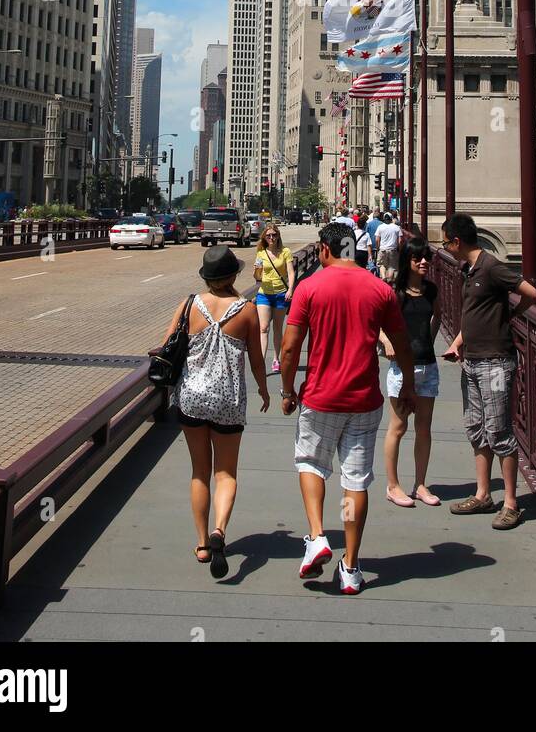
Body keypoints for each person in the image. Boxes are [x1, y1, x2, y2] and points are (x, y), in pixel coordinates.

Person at [280, 221, 416, 594]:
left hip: (321, 397)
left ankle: (318, 535)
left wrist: (287, 389)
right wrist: (409, 382)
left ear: (325, 250)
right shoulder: (380, 289)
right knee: (354, 482)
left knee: (311, 463)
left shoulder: (309, 288)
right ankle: (352, 567)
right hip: (364, 399)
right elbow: (403, 344)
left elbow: (290, 348)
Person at [165, 246, 269, 578]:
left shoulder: (188, 305)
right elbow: (256, 359)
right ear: (233, 275)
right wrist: (265, 390)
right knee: (226, 474)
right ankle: (220, 531)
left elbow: (167, 345)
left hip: (192, 398)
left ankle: (201, 543)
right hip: (228, 400)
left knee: (199, 472)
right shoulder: (248, 310)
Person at [441, 213, 536, 530]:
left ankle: (511, 503)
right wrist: (457, 342)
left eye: (446, 242)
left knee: (498, 430)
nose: (445, 248)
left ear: (457, 241)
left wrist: (511, 313)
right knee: (476, 427)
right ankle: (483, 494)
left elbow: (531, 293)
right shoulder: (467, 270)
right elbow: (473, 314)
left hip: (496, 360)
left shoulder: (492, 266)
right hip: (471, 358)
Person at [379, 236, 441, 508]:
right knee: (398, 427)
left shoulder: (431, 290)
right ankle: (393, 485)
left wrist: (429, 337)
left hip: (428, 366)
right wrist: (386, 341)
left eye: (427, 257)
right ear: (409, 261)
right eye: (418, 258)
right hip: (402, 368)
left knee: (424, 429)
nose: (424, 262)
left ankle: (420, 484)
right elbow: (377, 324)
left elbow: (437, 316)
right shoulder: (395, 292)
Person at [254, 224, 295, 373]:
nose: (271, 238)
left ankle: (276, 359)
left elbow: (290, 272)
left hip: (280, 294)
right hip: (264, 293)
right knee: (263, 328)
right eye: (268, 235)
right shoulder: (261, 253)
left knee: (278, 328)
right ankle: (261, 361)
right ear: (264, 237)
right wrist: (256, 271)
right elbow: (257, 277)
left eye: (274, 235)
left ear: (278, 236)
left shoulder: (285, 252)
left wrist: (290, 289)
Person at [374, 212, 401, 285]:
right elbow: (400, 241)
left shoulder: (380, 227)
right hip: (393, 250)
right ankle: (389, 280)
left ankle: (383, 277)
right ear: (391, 219)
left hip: (382, 249)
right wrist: (399, 248)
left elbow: (377, 239)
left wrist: (378, 247)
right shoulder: (397, 227)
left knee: (381, 265)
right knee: (392, 266)